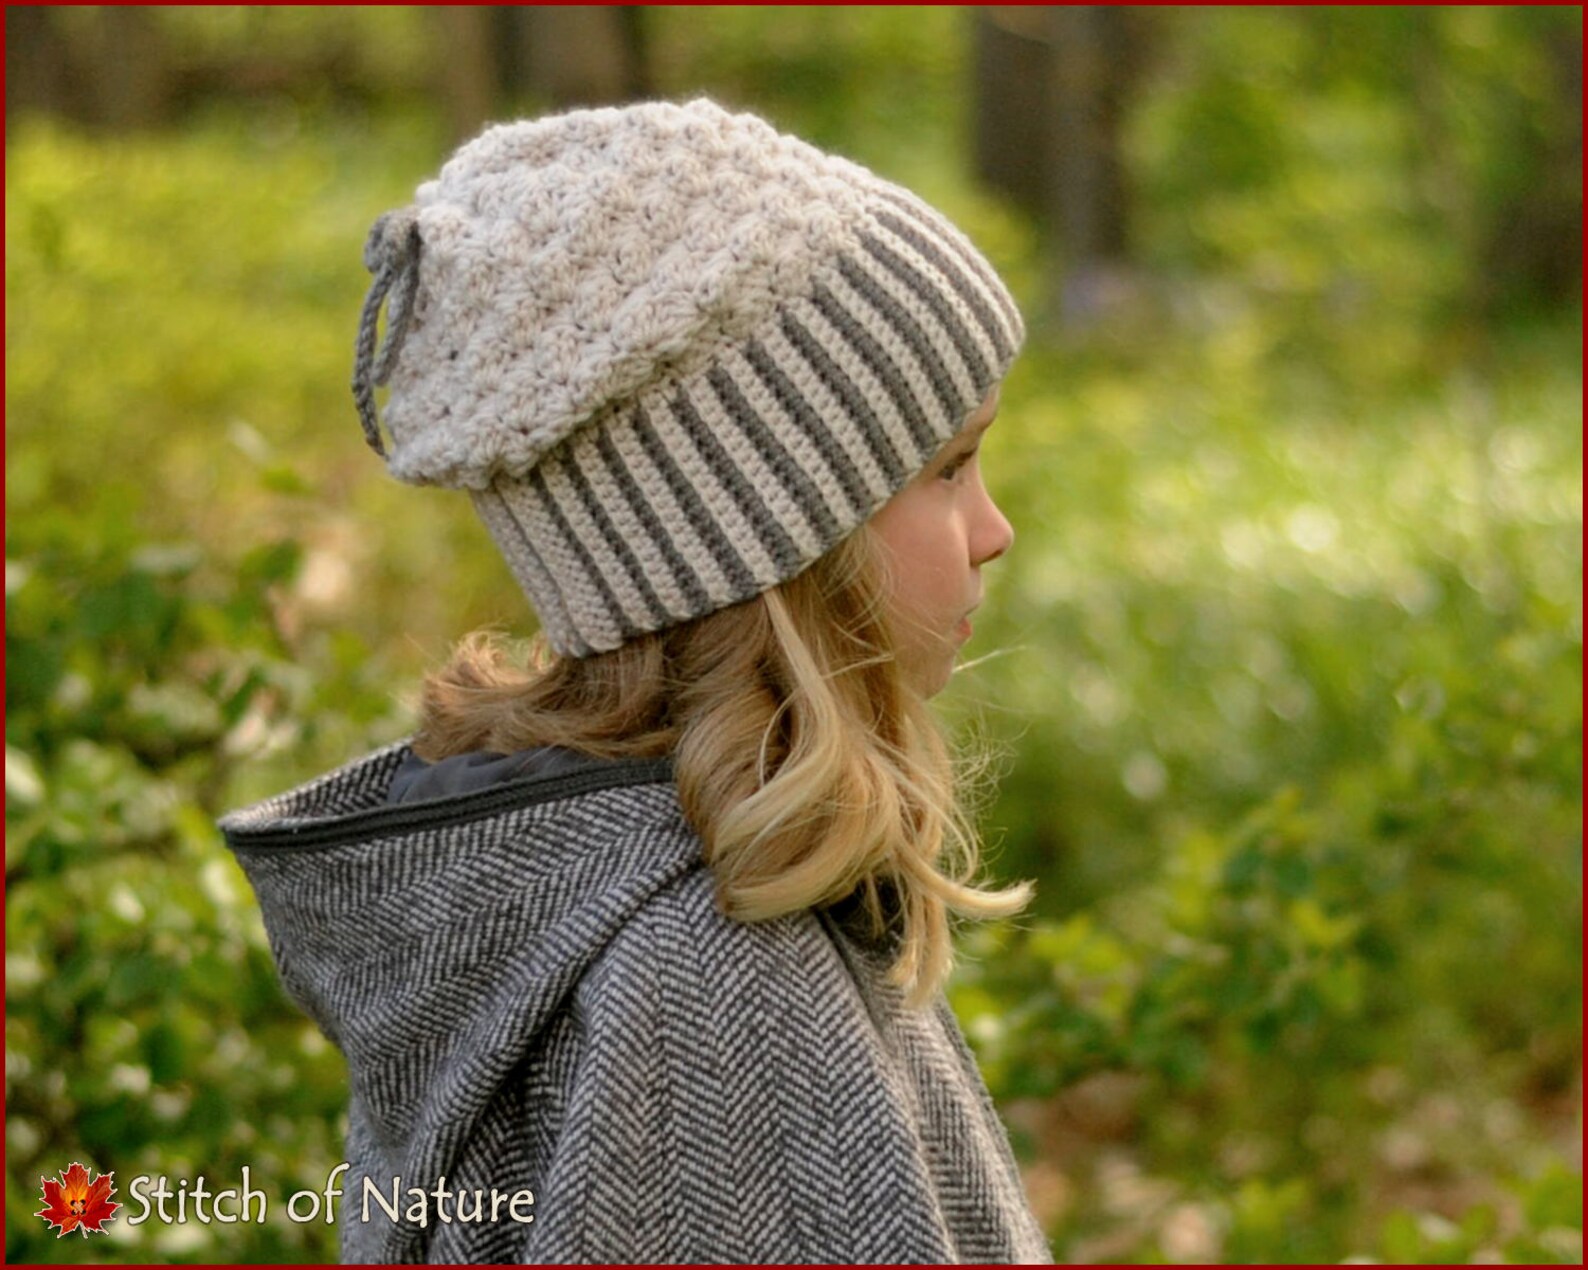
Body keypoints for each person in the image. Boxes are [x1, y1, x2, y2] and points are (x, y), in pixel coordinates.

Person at [221, 98, 1050, 1265]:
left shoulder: (608, 891)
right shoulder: (713, 987)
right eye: (948, 469)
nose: (993, 528)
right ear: (762, 541)